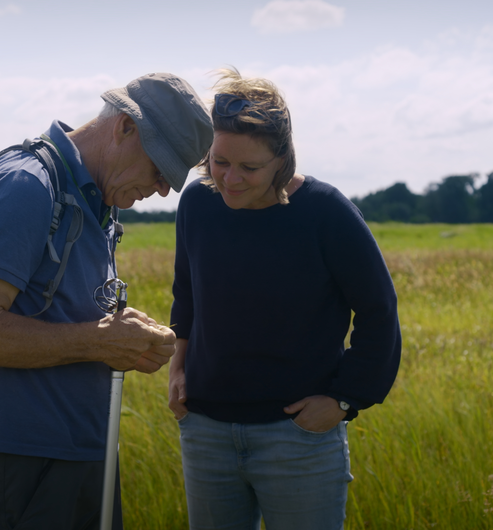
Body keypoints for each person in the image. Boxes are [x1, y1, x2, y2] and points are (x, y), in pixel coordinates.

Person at [0, 72, 213, 530]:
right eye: (159, 169)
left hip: (83, 456)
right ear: (125, 126)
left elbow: (64, 313)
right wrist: (98, 342)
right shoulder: (25, 186)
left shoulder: (95, 198)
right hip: (20, 463)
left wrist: (125, 337)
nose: (163, 189)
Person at [167, 69, 401, 530]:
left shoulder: (325, 211)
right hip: (205, 431)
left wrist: (345, 400)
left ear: (282, 159)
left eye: (249, 168)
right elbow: (187, 292)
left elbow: (379, 311)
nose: (230, 178)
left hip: (297, 438)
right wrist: (178, 368)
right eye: (219, 161)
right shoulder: (197, 202)